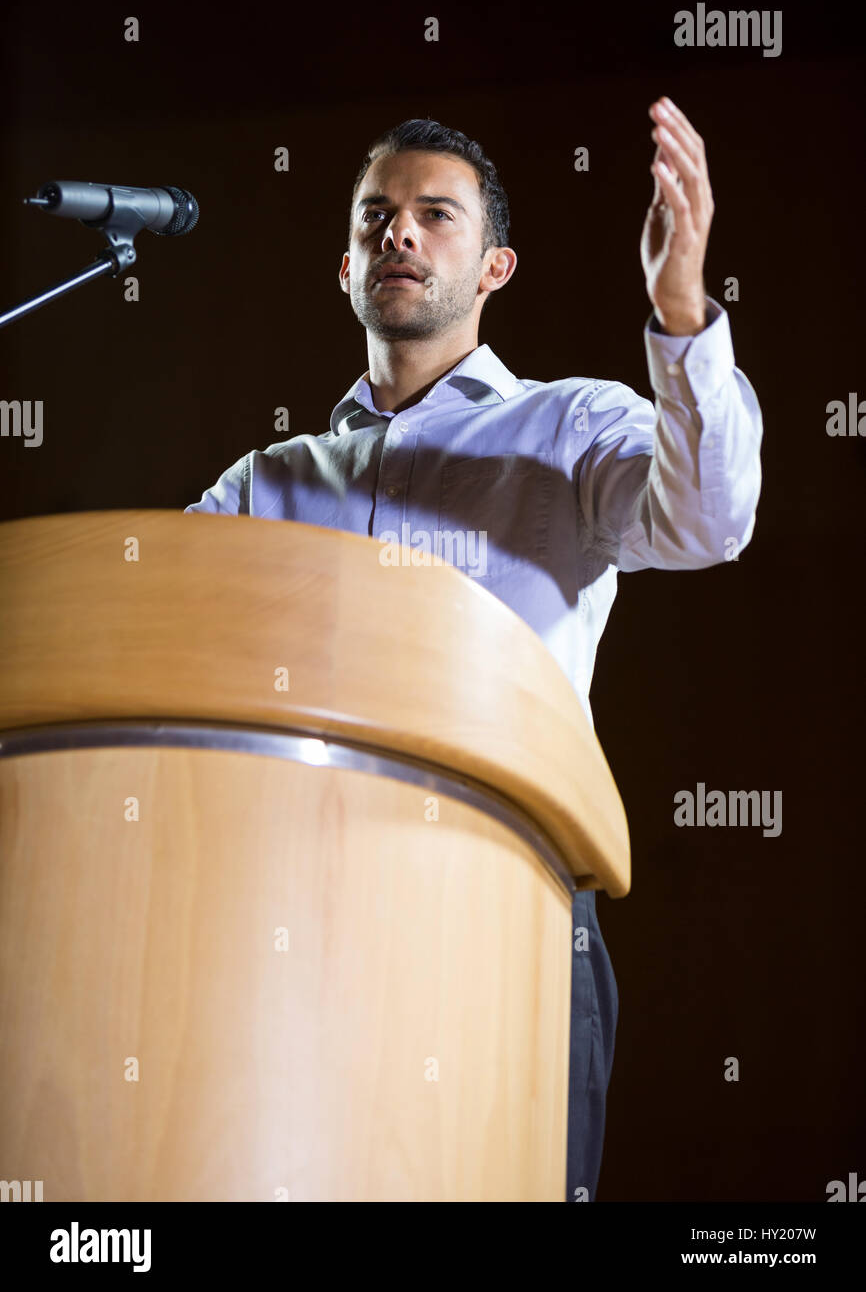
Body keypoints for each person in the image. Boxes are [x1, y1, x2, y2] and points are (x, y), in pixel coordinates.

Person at [185, 103, 763, 1200]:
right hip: (294, 918)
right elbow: (139, 615)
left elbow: (707, 519)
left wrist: (679, 308)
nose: (398, 234)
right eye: (376, 218)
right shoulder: (266, 482)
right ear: (344, 266)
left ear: (494, 265)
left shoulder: (567, 426)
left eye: (433, 215)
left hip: (509, 896)